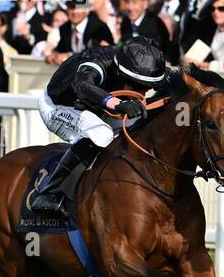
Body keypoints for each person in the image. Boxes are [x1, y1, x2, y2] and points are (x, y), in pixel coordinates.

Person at [30, 36, 171, 216]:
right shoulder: (98, 62)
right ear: (122, 74)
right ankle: (49, 192)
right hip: (60, 105)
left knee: (141, 124)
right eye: (140, 87)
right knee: (102, 134)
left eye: (148, 87)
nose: (143, 93)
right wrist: (117, 104)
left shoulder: (141, 66)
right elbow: (83, 84)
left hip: (95, 108)